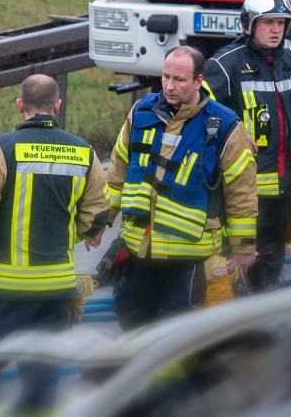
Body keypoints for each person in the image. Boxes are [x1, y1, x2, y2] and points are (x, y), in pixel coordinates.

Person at [0, 75, 109, 412]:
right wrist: (70, 235)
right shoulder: (82, 151)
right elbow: (97, 215)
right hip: (56, 290)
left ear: (19, 105)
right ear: (58, 106)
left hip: (4, 288)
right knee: (43, 377)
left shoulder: (2, 147)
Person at [107, 47, 258, 329]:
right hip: (140, 248)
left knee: (182, 329)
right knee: (131, 318)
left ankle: (181, 375)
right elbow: (118, 168)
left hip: (189, 256)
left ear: (198, 81)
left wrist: (244, 247)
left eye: (179, 79)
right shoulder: (141, 112)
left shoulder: (225, 126)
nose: (169, 86)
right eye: (165, 77)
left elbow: (242, 193)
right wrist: (100, 220)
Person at [203, 0, 291, 291]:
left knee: (271, 261)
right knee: (235, 261)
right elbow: (202, 117)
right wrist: (234, 130)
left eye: (281, 23)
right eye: (267, 23)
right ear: (249, 24)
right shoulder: (224, 65)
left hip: (281, 186)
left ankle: (265, 312)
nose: (275, 30)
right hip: (241, 190)